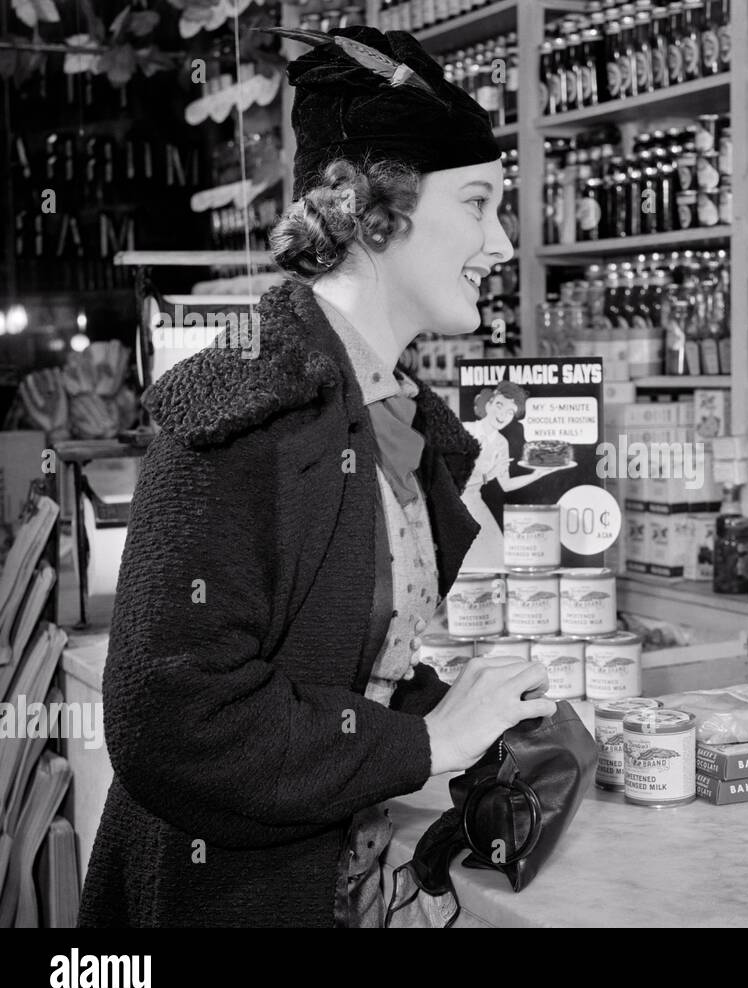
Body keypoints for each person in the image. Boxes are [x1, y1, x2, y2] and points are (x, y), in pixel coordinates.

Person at [78, 26, 555, 928]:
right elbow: (169, 719)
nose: (500, 242)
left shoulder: (381, 404)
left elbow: (331, 664)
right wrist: (428, 740)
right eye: (481, 203)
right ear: (378, 209)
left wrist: (452, 708)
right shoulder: (248, 404)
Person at [461, 380, 573, 570]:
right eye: (499, 405)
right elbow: (449, 471)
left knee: (494, 557)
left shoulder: (501, 443)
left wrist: (537, 474)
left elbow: (505, 484)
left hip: (475, 502)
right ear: (488, 403)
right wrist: (486, 475)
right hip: (455, 501)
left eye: (510, 412)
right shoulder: (464, 429)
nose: (502, 415)